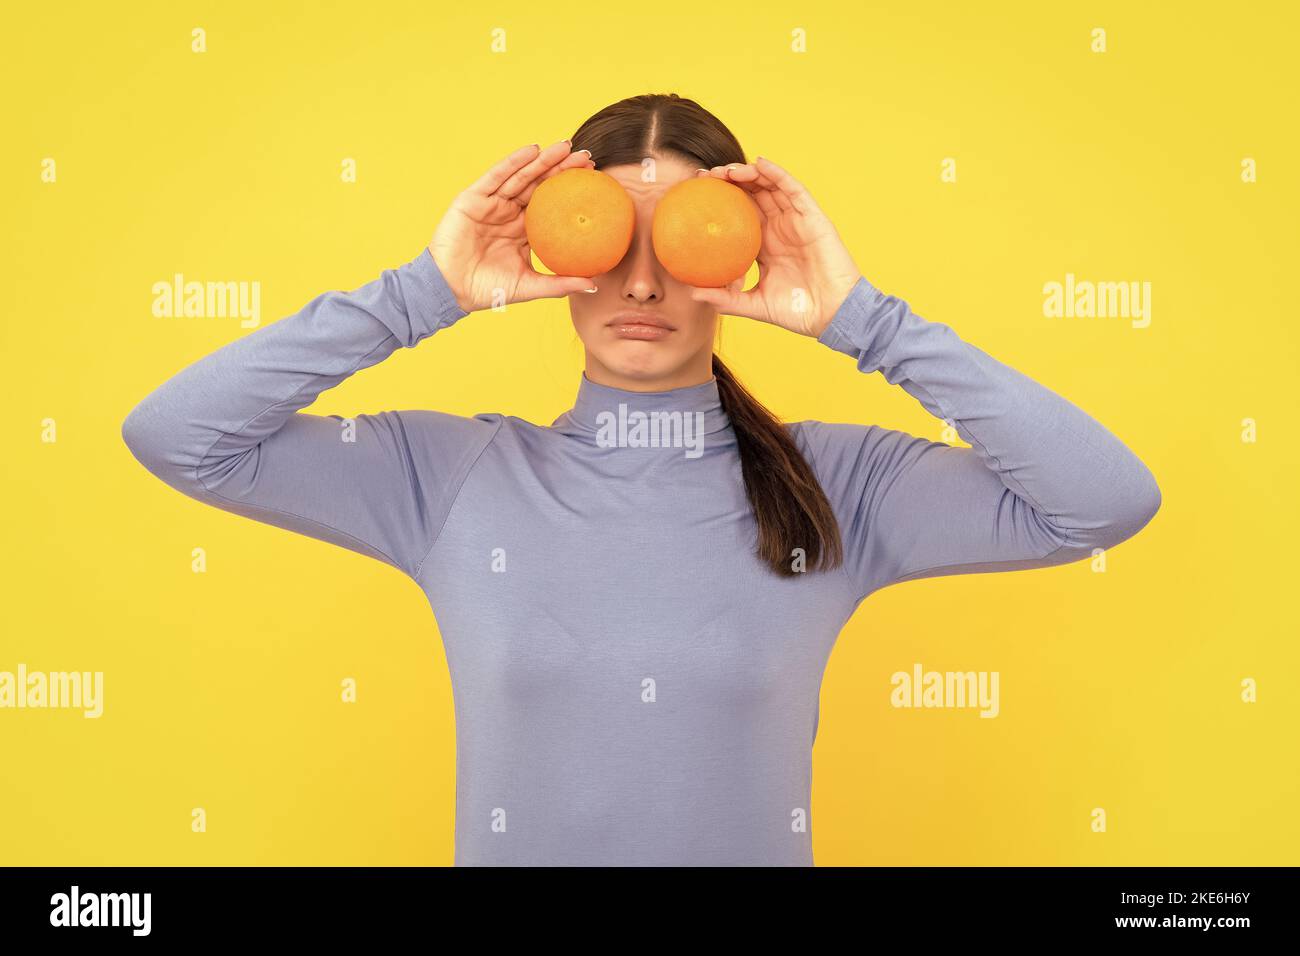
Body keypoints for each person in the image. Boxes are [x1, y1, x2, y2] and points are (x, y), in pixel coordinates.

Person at [121, 93, 1161, 866]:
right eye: (607, 230)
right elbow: (178, 434)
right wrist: (421, 292)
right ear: (548, 241)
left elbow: (1103, 498)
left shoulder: (835, 486)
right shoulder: (447, 477)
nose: (644, 278)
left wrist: (862, 319)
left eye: (682, 237)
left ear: (742, 257)